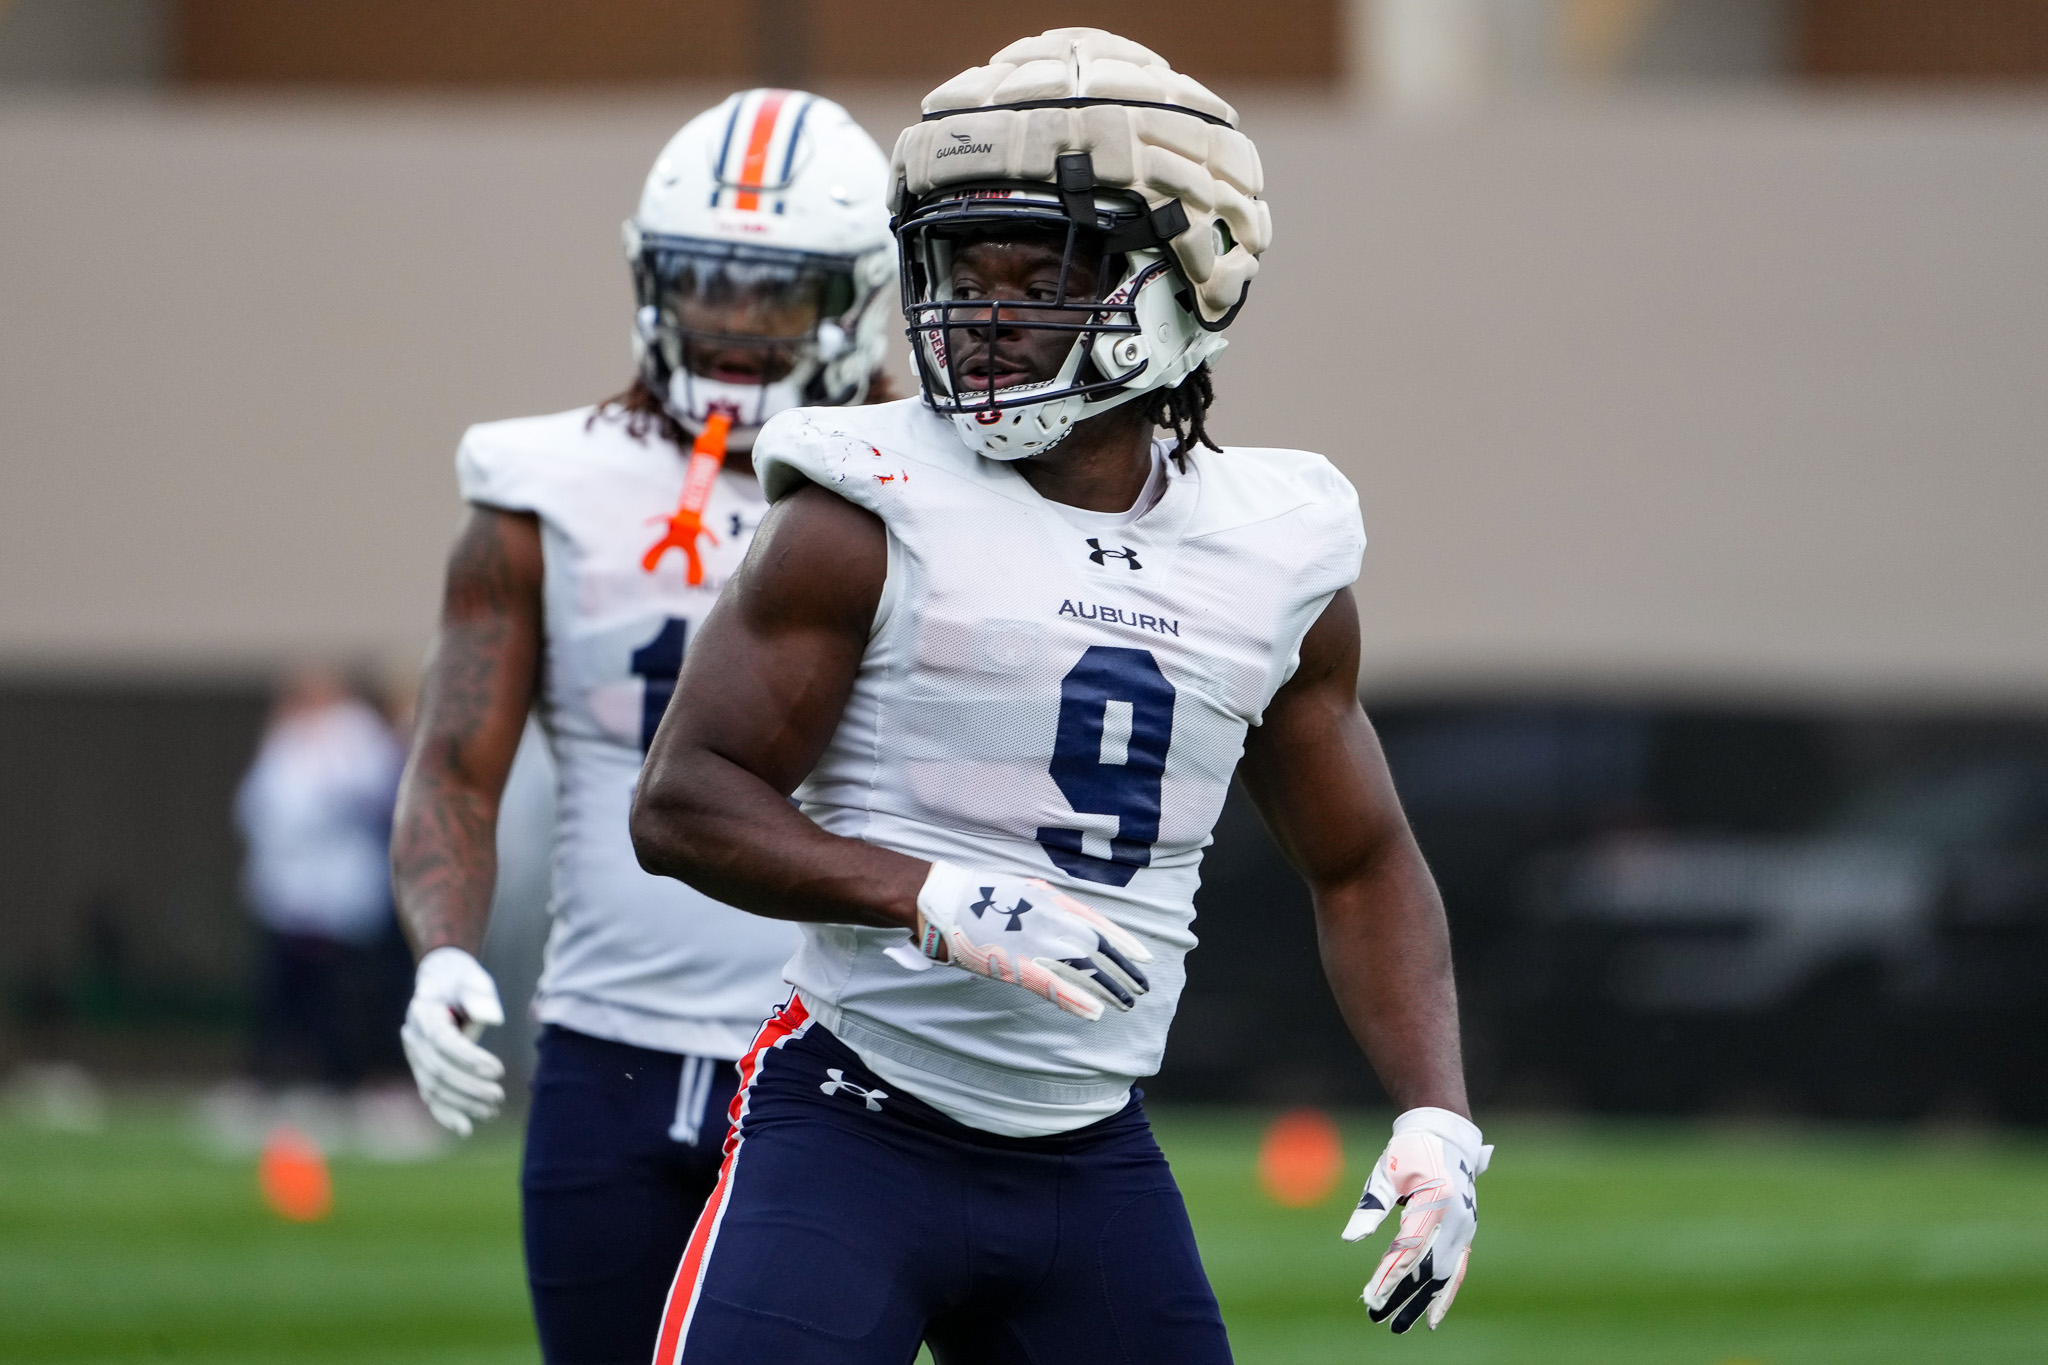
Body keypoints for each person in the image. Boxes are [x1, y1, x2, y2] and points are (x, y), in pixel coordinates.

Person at [630, 30, 1491, 1364]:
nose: (986, 315)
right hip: (852, 1122)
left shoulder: (1275, 548)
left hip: (1091, 1159)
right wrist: (924, 893)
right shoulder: (861, 509)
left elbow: (1362, 860)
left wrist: (1437, 1115)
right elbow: (682, 801)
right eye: (962, 272)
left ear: (1191, 281)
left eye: (1042, 276)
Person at [388, 89, 897, 1365]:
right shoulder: (540, 487)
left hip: (838, 1059)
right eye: (705, 283)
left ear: (860, 296)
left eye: (773, 295)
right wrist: (442, 951)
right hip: (603, 1056)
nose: (733, 325)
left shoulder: (927, 486)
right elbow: (453, 764)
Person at [235, 664, 407, 1091]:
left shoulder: (357, 734)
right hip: (288, 892)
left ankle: (348, 1076)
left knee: (347, 993)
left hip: (341, 894)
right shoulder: (286, 739)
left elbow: (363, 796)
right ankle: (273, 1074)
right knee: (283, 991)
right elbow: (257, 806)